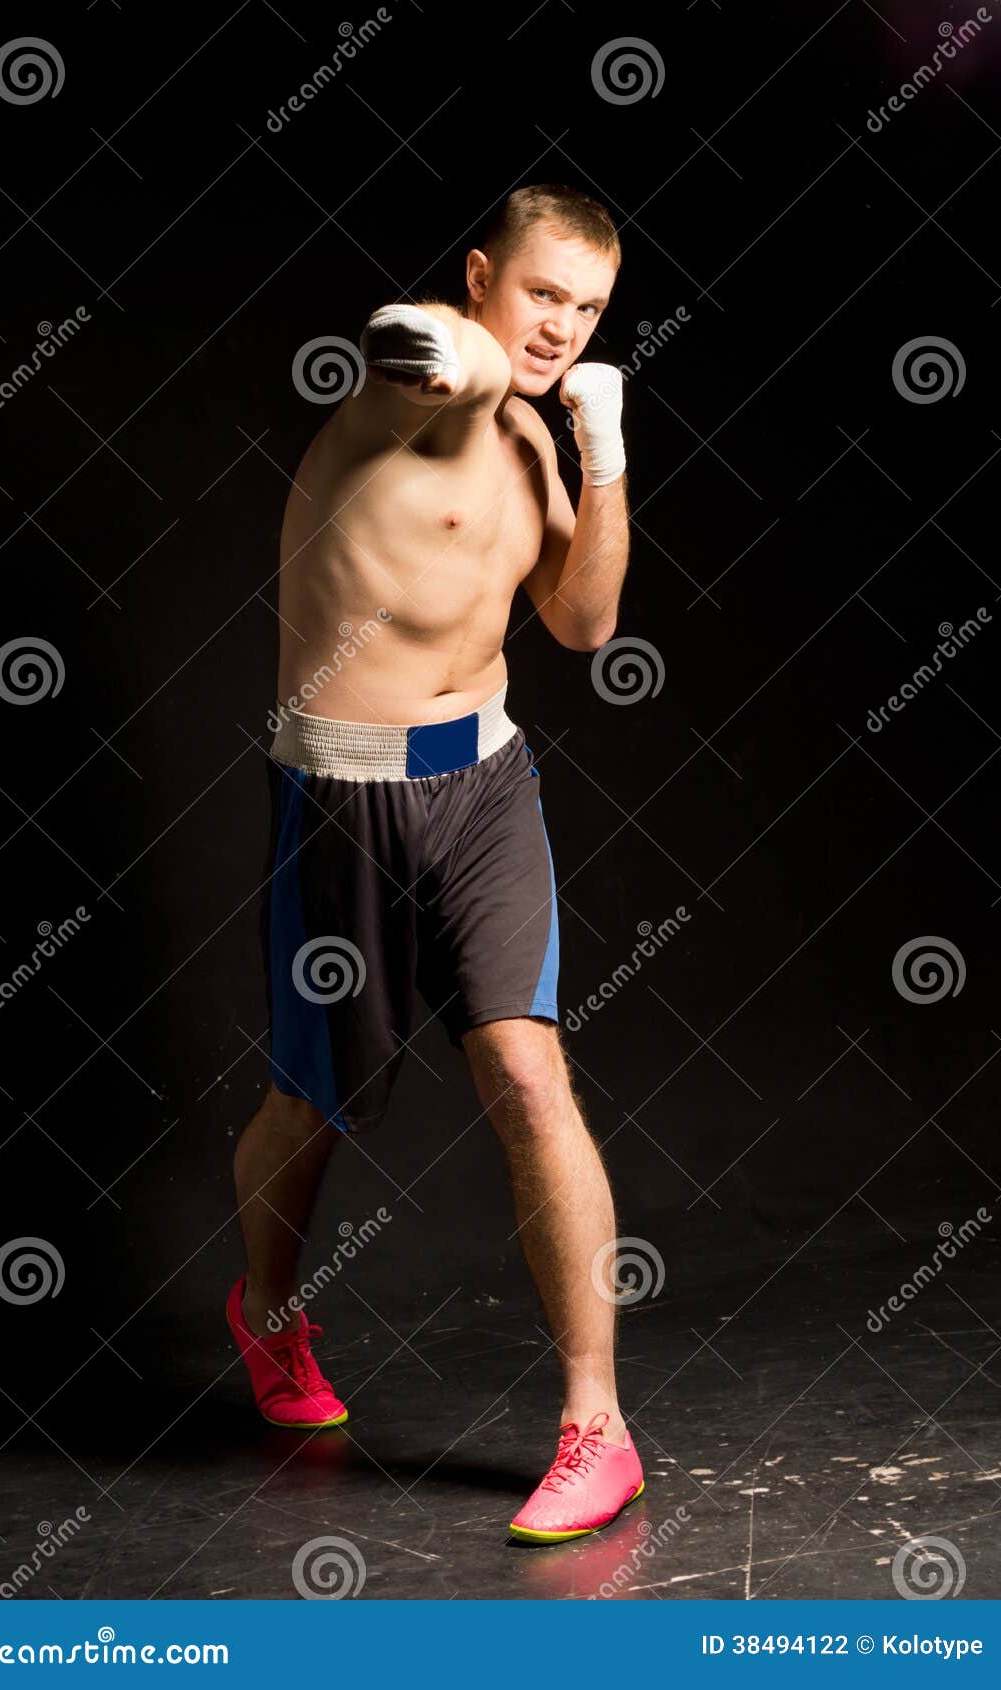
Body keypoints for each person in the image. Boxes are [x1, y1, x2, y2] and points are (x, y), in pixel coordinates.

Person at [226, 184, 643, 1541]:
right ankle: (270, 1313)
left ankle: (598, 1425)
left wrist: (606, 453)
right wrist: (447, 344)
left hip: (485, 783)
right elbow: (416, 355)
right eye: (539, 296)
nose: (559, 328)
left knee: (528, 1065)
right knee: (321, 1101)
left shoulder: (533, 433)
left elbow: (582, 624)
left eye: (585, 308)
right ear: (482, 275)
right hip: (343, 793)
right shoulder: (408, 397)